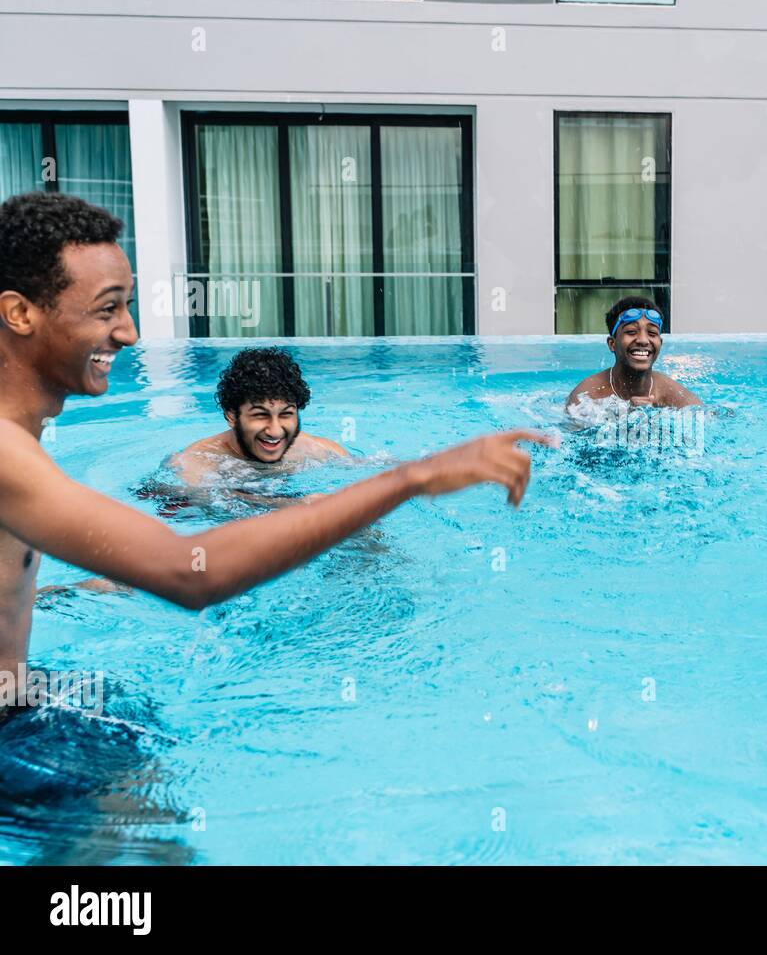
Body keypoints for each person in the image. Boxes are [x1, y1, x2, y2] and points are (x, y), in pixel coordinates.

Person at [0, 191, 551, 680]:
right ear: (19, 313)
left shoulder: (20, 444)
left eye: (129, 306)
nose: (129, 331)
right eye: (107, 309)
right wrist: (411, 479)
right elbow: (190, 572)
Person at [171, 346, 347, 487]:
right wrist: (291, 507)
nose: (275, 431)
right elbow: (199, 501)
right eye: (260, 415)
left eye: (286, 414)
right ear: (231, 416)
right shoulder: (198, 461)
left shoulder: (316, 449)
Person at [566, 296, 701, 413]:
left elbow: (708, 420)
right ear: (612, 344)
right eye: (631, 332)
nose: (643, 340)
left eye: (652, 333)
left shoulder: (670, 392)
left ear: (660, 343)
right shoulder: (588, 394)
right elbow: (570, 434)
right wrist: (621, 416)